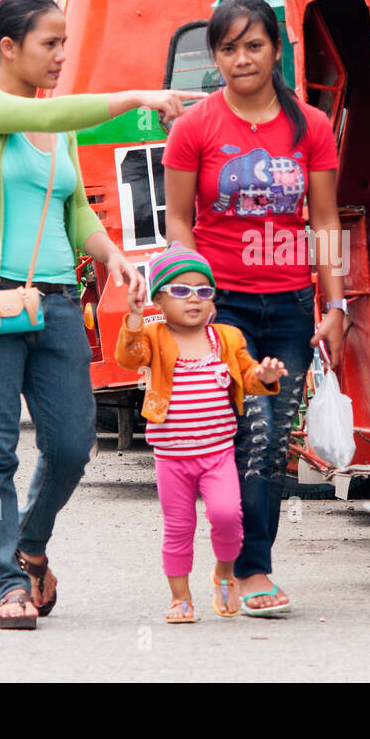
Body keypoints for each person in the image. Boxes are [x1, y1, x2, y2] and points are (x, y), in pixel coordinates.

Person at [0, 0, 201, 630]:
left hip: (57, 302)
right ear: (8, 47)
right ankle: (7, 583)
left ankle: (30, 545)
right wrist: (141, 97)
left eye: (66, 43)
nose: (62, 55)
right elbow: (71, 115)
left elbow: (72, 205)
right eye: (49, 44)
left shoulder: (49, 124)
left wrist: (112, 256)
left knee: (71, 444)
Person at [163, 0, 345, 617]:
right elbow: (179, 224)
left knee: (271, 444)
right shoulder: (194, 129)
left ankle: (247, 564)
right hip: (224, 307)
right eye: (228, 47)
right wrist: (193, 296)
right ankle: (247, 567)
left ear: (275, 50)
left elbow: (323, 222)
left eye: (254, 45)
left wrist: (336, 304)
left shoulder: (310, 128)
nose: (241, 58)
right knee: (243, 434)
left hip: (291, 305)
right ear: (214, 55)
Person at [116, 243, 287, 623]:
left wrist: (264, 376)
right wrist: (132, 316)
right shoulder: (155, 336)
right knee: (179, 527)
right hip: (172, 457)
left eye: (203, 291)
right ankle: (180, 598)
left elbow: (247, 375)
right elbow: (128, 358)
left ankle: (225, 575)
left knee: (228, 515)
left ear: (213, 299)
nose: (193, 299)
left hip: (218, 452)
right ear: (159, 299)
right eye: (180, 291)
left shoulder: (226, 338)